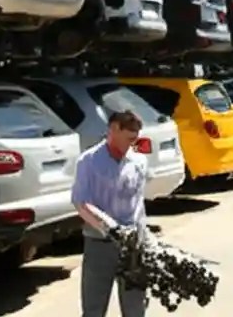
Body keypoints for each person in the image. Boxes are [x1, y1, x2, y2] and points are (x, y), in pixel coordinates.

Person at [72, 109, 150, 317]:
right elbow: (81, 202)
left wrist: (144, 237)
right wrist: (112, 229)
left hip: (133, 247)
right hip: (99, 245)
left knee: (135, 309)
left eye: (136, 139)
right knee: (94, 309)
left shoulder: (139, 162)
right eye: (129, 138)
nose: (132, 144)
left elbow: (138, 204)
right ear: (114, 129)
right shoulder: (88, 162)